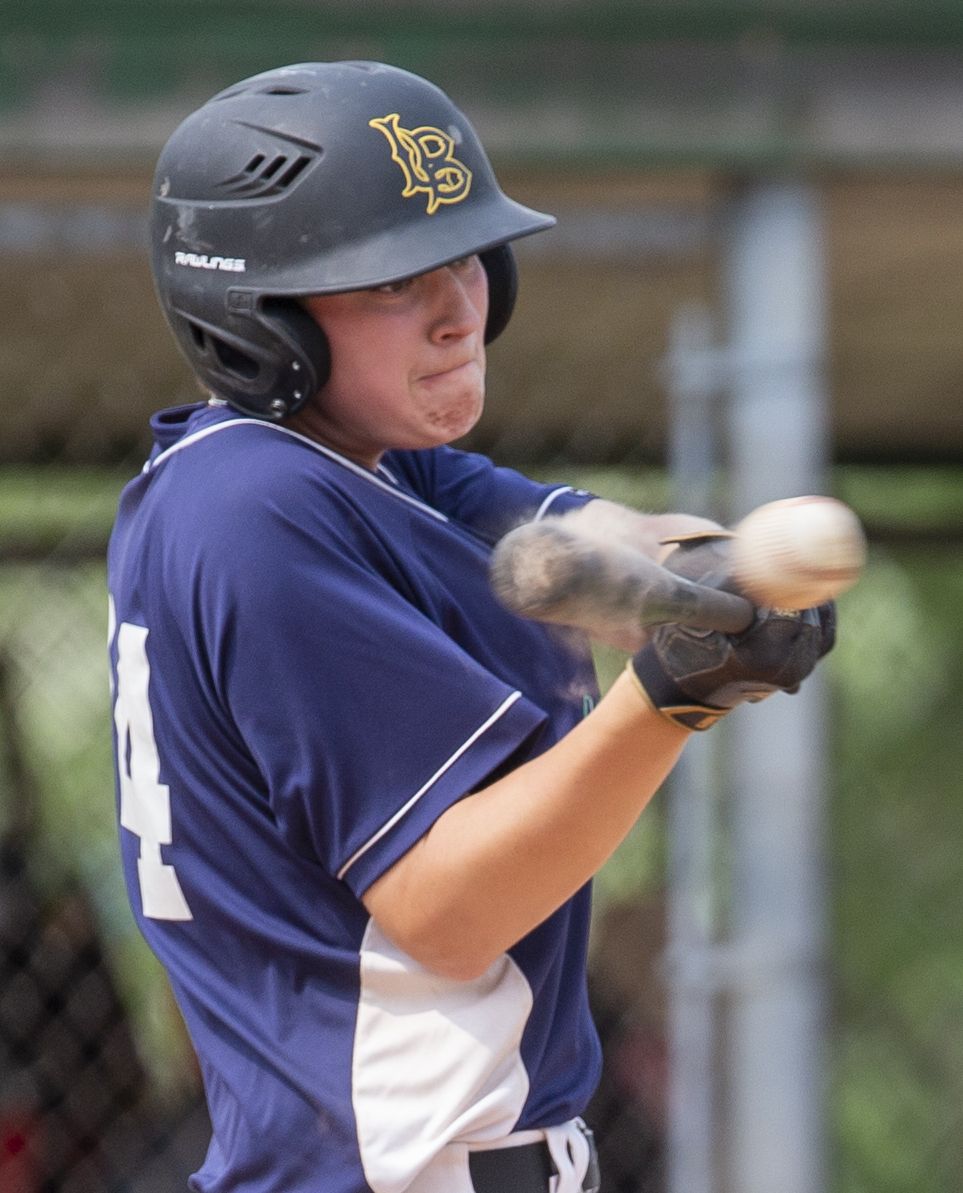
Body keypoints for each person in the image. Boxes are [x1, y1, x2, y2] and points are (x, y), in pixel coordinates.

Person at [107, 61, 833, 1193]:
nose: (457, 311)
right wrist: (670, 695)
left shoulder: (356, 465)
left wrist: (716, 576)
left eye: (465, 259)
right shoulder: (255, 509)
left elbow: (600, 543)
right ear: (261, 315)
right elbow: (447, 908)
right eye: (393, 280)